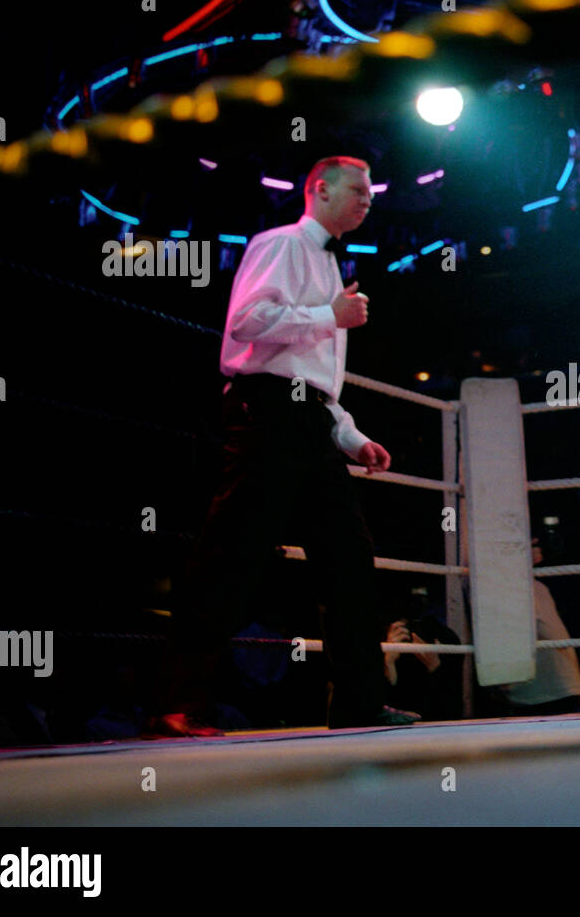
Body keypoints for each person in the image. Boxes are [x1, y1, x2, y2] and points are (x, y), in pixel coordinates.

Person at [151, 156, 419, 735]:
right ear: (319, 190)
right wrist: (331, 313)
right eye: (357, 190)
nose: (368, 200)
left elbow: (316, 379)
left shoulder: (330, 267)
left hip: (307, 423)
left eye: (371, 192)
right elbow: (247, 322)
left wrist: (352, 437)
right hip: (267, 415)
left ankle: (358, 702)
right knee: (232, 556)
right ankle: (177, 703)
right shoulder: (281, 244)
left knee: (349, 560)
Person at [500, 539, 580, 716]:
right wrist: (516, 560)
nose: (538, 549)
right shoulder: (504, 585)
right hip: (537, 692)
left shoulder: (538, 586)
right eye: (530, 543)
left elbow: (554, 632)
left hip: (558, 688)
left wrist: (576, 683)